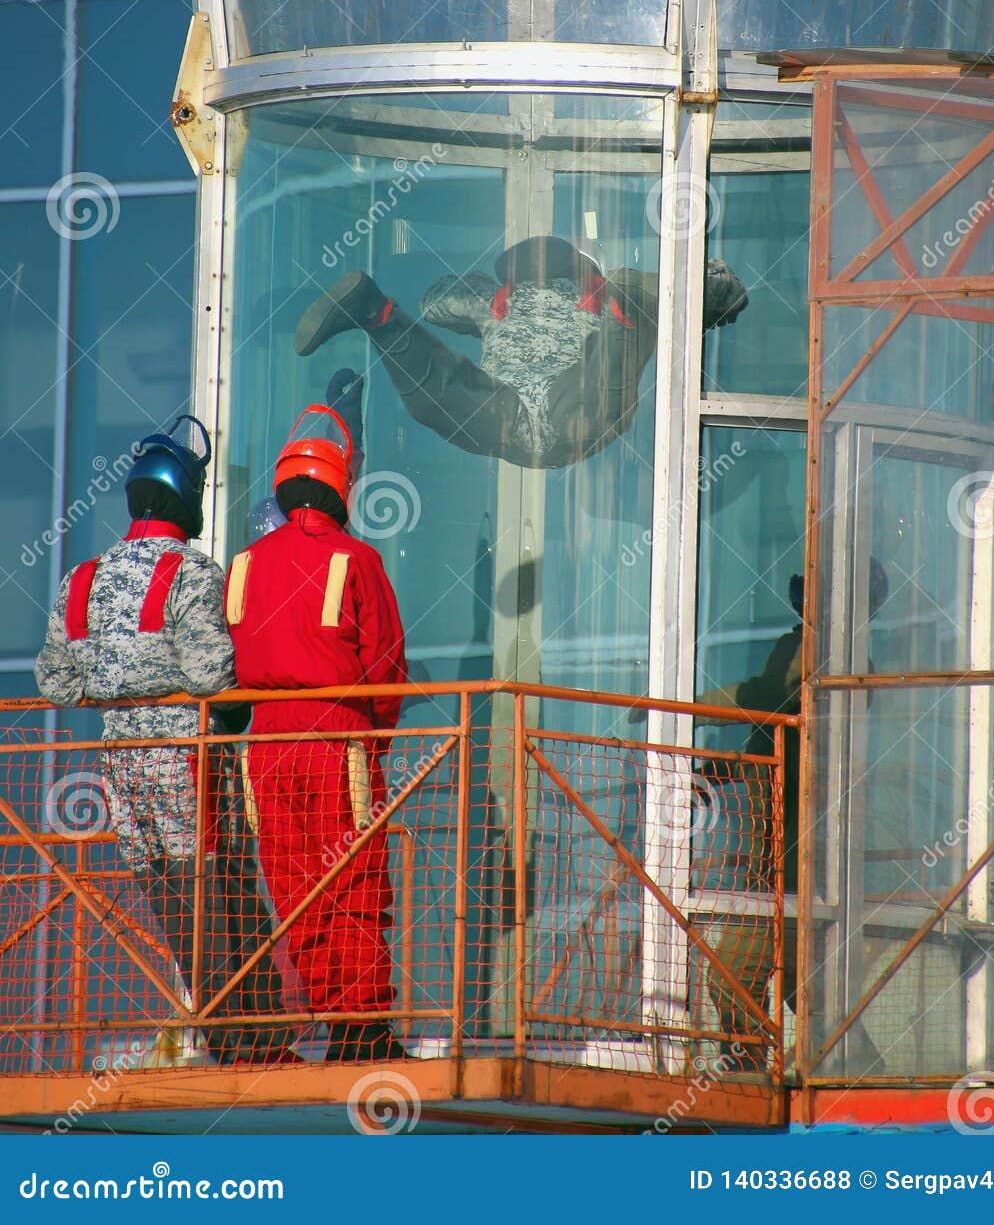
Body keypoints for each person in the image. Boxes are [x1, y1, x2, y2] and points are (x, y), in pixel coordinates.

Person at [34, 416, 295, 1066]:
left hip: (121, 770)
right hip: (190, 760)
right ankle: (247, 1038)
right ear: (186, 496)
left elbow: (57, 683)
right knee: (220, 892)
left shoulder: (81, 582)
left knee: (171, 898)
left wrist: (118, 685)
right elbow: (211, 674)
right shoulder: (193, 573)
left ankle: (237, 1034)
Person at [225, 399, 407, 1063]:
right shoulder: (353, 559)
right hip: (336, 739)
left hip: (263, 748)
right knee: (355, 883)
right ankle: (361, 1028)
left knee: (294, 887)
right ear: (338, 487)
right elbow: (385, 664)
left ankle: (334, 1018)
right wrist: (373, 740)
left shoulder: (243, 565)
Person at [292, 234, 748, 468]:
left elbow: (724, 287)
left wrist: (610, 295)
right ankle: (377, 314)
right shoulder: (497, 302)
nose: (538, 280)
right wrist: (486, 297)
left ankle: (628, 311)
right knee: (434, 400)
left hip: (574, 407)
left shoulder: (590, 296)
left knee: (596, 384)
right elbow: (433, 301)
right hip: (505, 417)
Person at [696, 563, 889, 1070]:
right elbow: (770, 735)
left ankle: (758, 1076)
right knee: (805, 995)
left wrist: (687, 705)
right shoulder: (817, 650)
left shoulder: (838, 657)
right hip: (779, 859)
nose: (808, 607)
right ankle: (851, 1073)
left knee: (746, 981)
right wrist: (714, 773)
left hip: (790, 862)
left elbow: (772, 703)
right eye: (807, 596)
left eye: (817, 596)